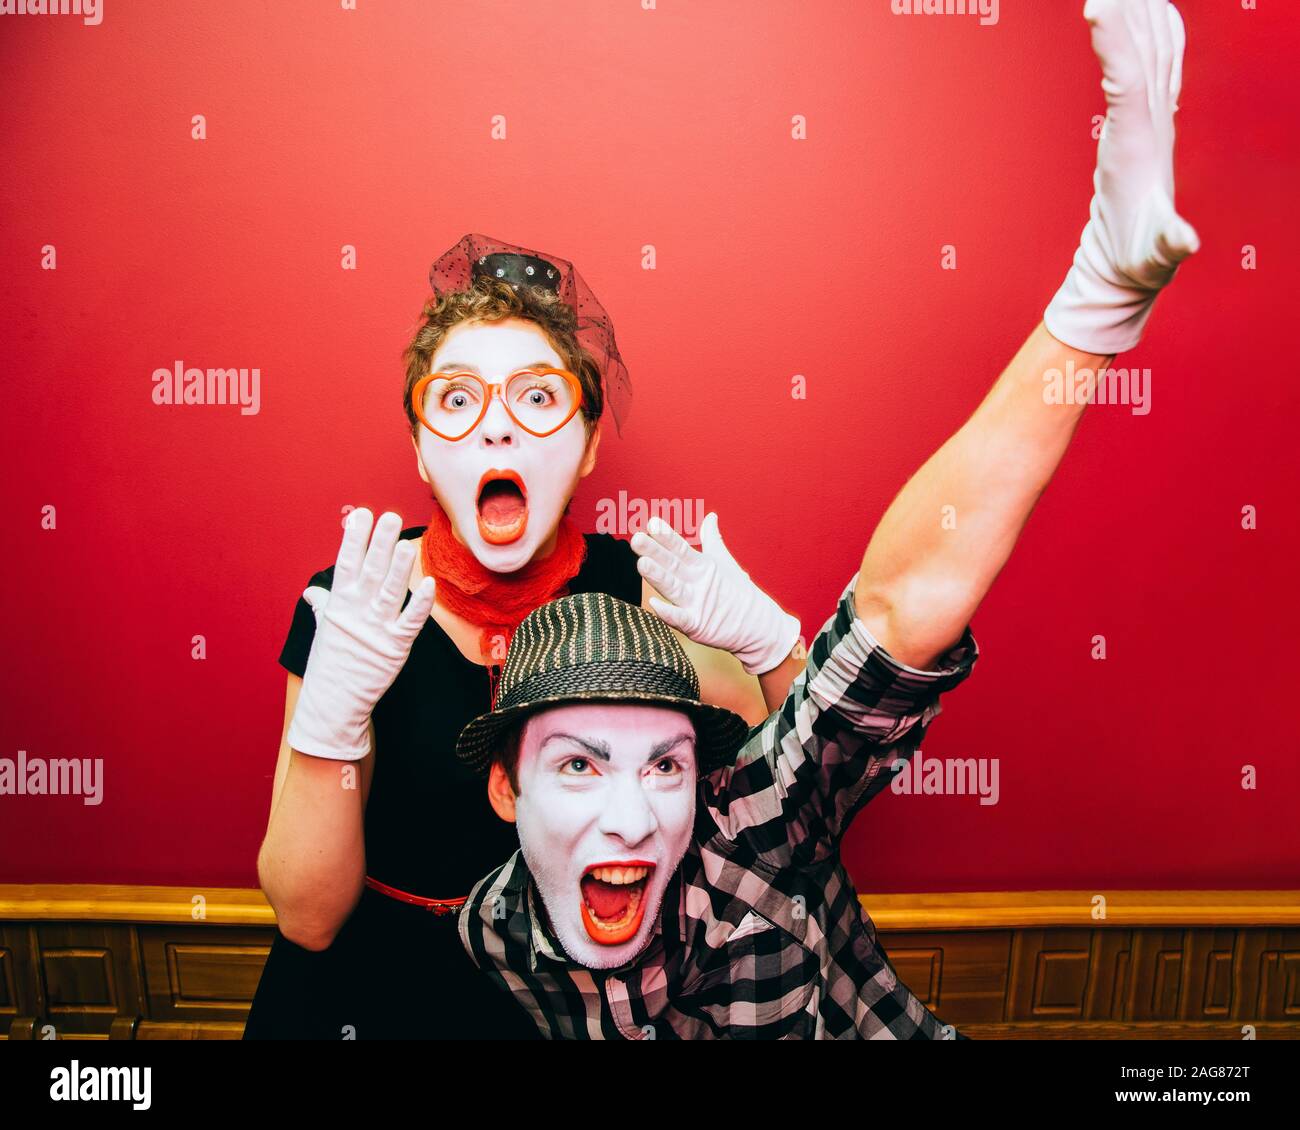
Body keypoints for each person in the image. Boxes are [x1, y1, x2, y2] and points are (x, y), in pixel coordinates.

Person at [437, 0, 1195, 1038]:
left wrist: (1095, 300)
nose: (629, 812)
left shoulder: (746, 832)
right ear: (505, 791)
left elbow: (895, 612)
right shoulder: (492, 937)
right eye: (575, 761)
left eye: (665, 763)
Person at [244, 235, 806, 1039]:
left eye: (538, 400)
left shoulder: (654, 594)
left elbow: (801, 793)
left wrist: (769, 644)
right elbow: (306, 919)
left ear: (587, 448)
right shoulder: (354, 606)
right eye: (460, 399)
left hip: (572, 999)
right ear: (421, 448)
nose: (497, 432)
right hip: (371, 994)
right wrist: (331, 723)